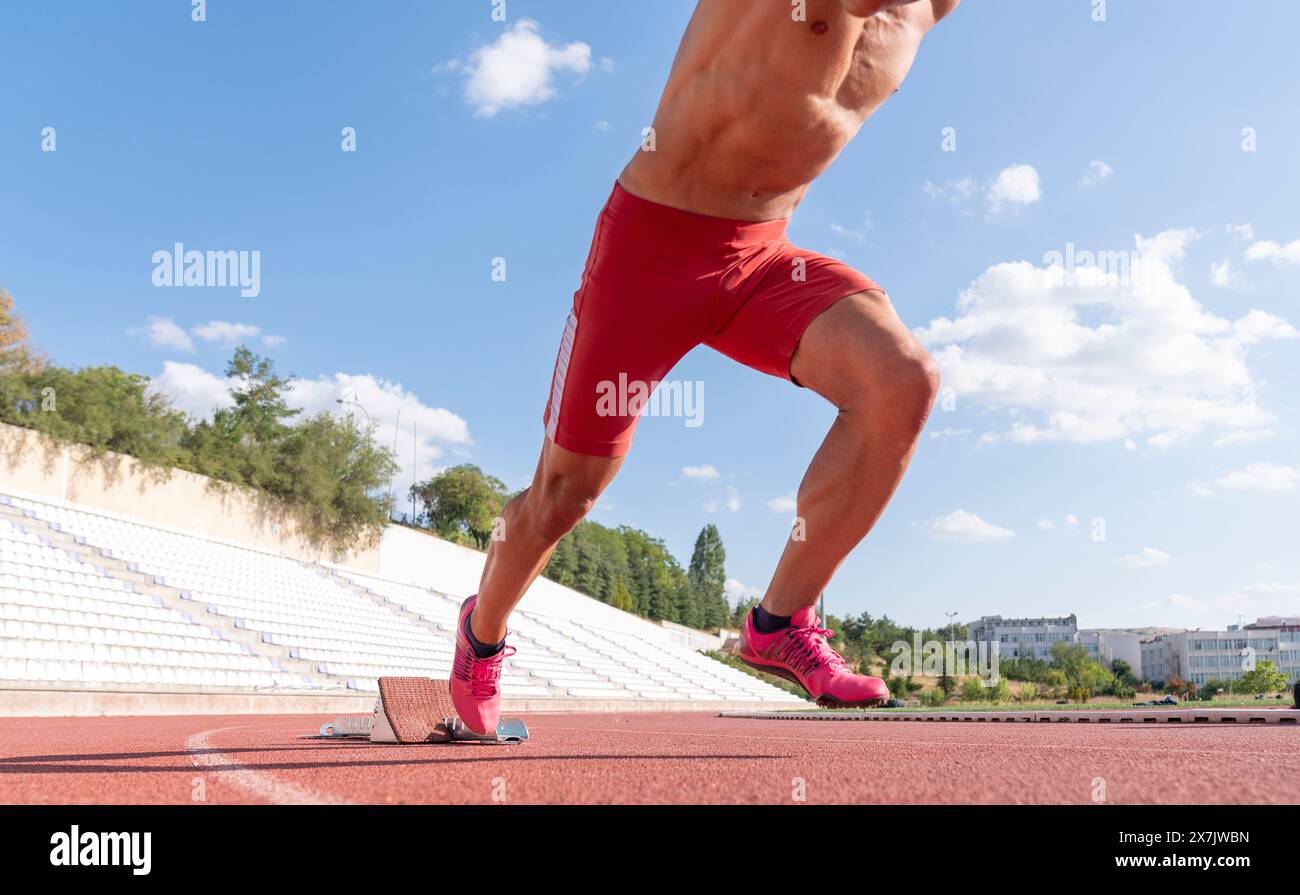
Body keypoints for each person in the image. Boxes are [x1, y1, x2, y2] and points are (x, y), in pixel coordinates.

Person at [451, 0, 961, 734]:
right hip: (649, 249)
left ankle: (779, 620)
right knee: (562, 497)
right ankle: (482, 635)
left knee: (902, 379)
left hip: (760, 257)